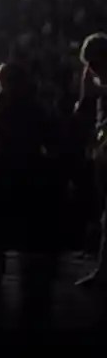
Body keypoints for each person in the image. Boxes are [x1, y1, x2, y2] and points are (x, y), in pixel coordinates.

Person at [0, 63, 63, 322]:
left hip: (1, 169)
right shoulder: (36, 104)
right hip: (28, 171)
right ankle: (32, 309)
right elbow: (51, 140)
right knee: (26, 240)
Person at [73, 32, 107, 289]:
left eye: (96, 64)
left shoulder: (99, 82)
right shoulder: (95, 79)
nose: (93, 70)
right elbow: (84, 109)